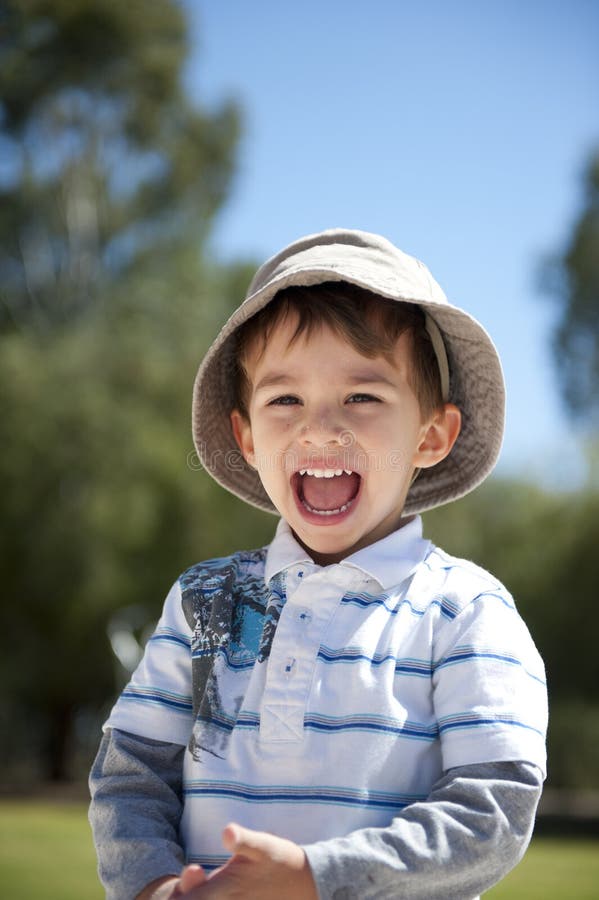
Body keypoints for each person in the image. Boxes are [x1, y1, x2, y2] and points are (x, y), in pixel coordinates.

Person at [89, 228, 548, 900]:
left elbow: (493, 813)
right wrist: (155, 885)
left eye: (362, 397)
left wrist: (314, 878)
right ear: (245, 436)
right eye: (284, 400)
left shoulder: (464, 612)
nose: (320, 429)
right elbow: (132, 773)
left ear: (431, 436)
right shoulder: (206, 601)